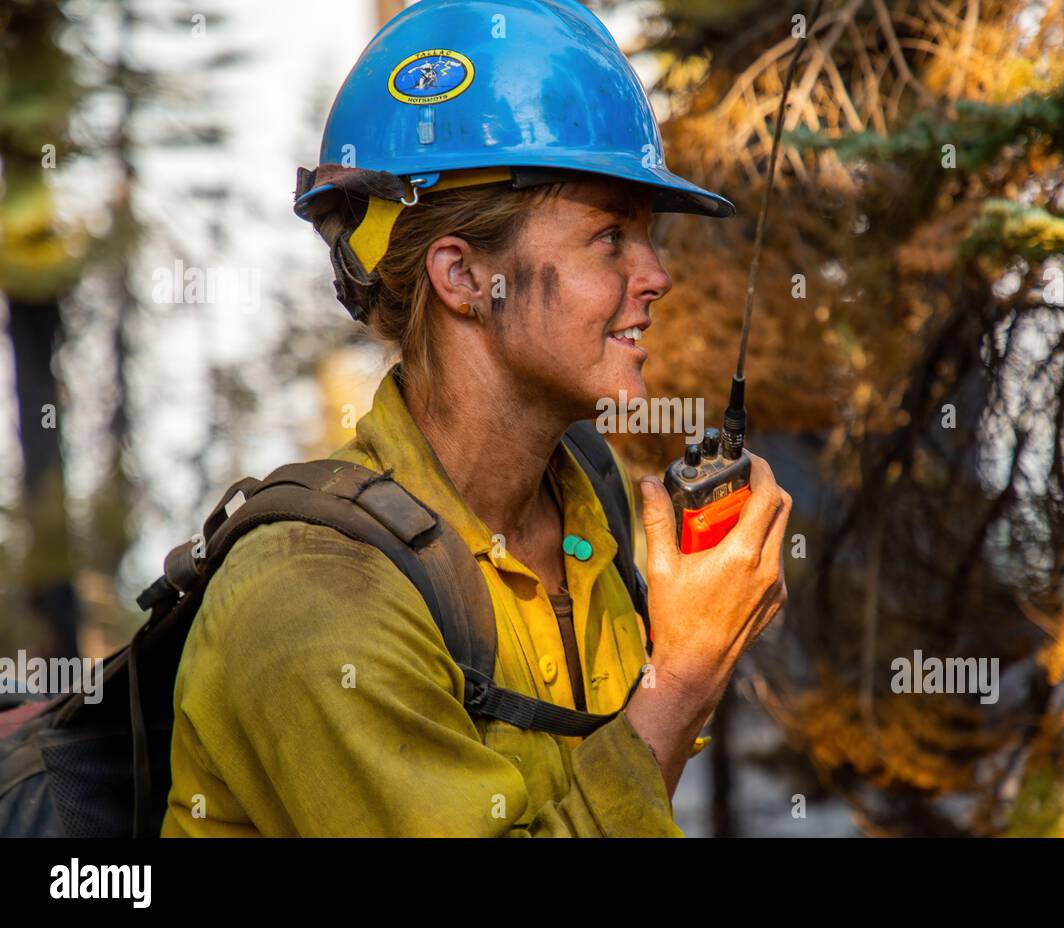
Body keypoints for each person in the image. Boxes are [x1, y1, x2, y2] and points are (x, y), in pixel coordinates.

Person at [161, 0, 790, 837]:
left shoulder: (586, 517)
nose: (656, 277)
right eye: (610, 237)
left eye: (649, 237)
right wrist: (680, 680)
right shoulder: (312, 596)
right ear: (461, 277)